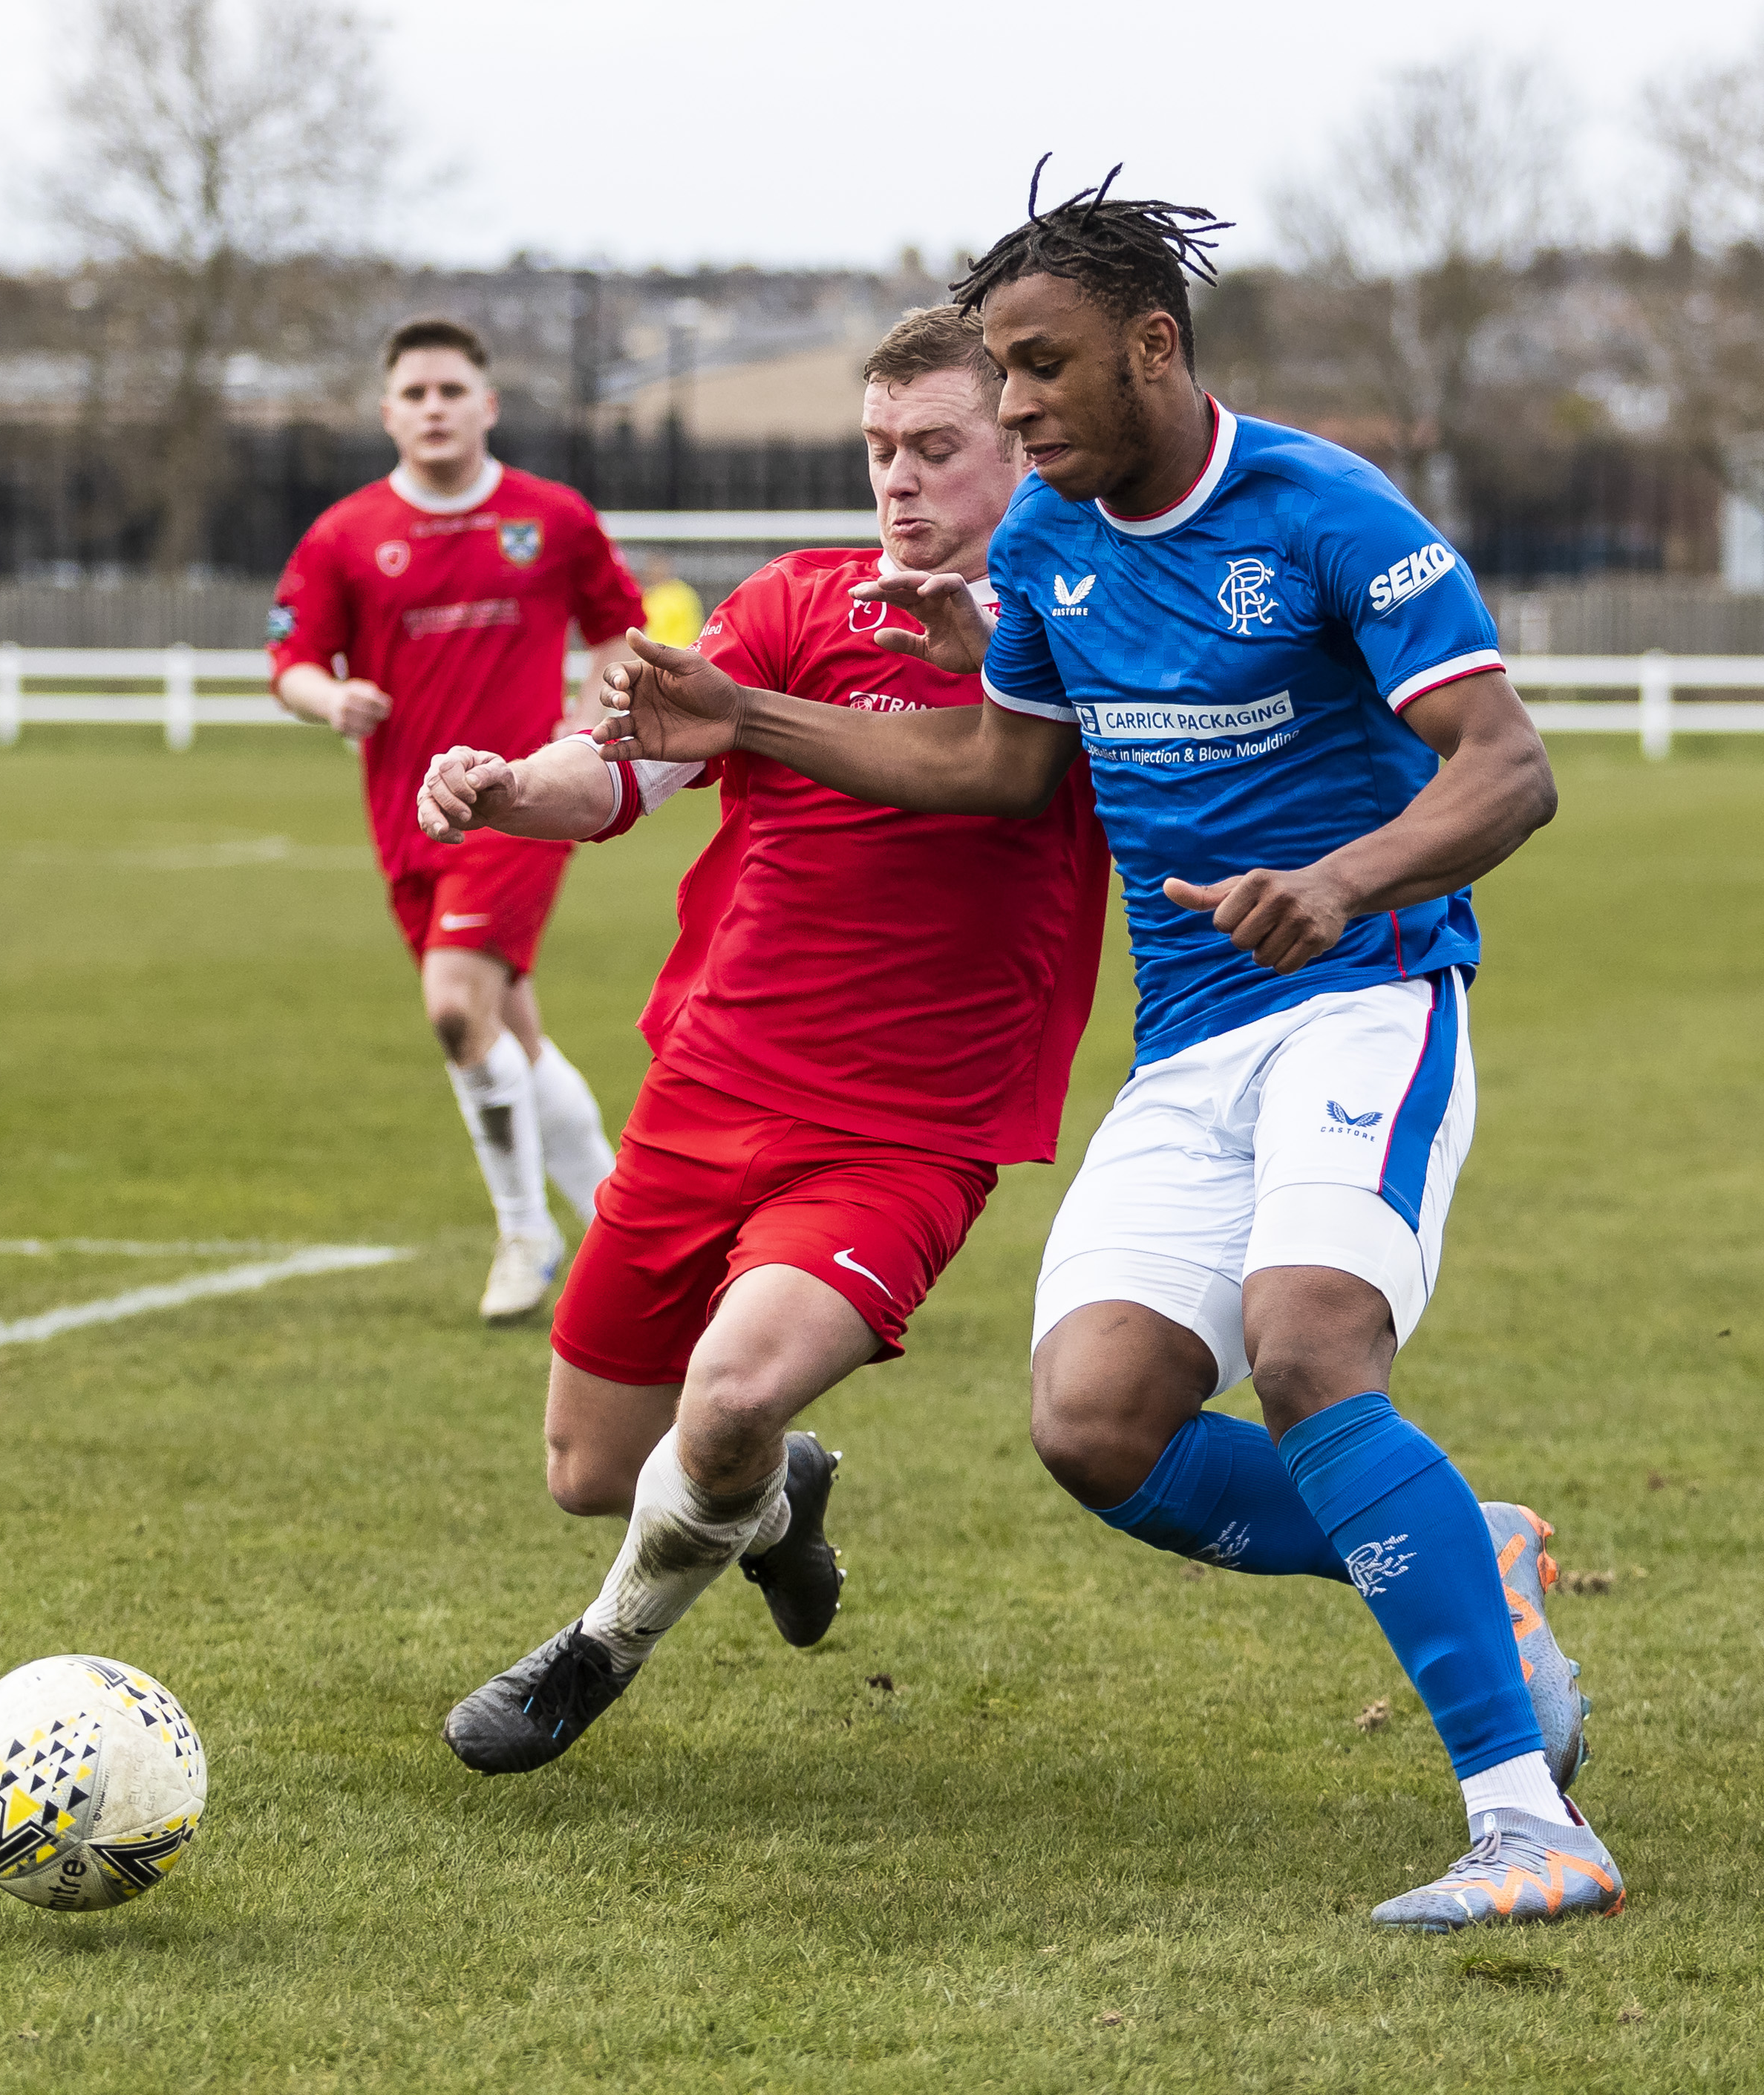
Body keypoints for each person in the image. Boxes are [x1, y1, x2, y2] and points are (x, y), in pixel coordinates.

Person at [594, 183, 1617, 1933]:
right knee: (1092, 1428)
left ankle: (1526, 1825)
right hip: (1190, 1045)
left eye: (1039, 367)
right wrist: (747, 712)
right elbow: (997, 770)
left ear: (1154, 345)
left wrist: (1339, 878)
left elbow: (1502, 766)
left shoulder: (1319, 511)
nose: (1010, 412)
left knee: (1305, 1347)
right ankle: (1475, 1546)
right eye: (996, 376)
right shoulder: (1050, 551)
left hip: (1363, 998)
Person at [414, 304, 1111, 1774]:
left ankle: (594, 1652)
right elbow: (619, 775)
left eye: (936, 449)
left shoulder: (1096, 627)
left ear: (1022, 451)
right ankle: (776, 1500)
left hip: (906, 1133)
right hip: (709, 1091)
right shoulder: (800, 604)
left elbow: (1061, 774)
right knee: (597, 1468)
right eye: (879, 452)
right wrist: (502, 782)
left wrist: (1003, 651)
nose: (901, 482)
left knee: (723, 1394)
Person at [268, 316, 644, 1321]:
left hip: (514, 807)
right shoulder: (345, 534)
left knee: (453, 1008)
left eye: (451, 391)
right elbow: (292, 659)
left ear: (486, 405)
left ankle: (525, 1234)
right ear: (389, 413)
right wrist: (328, 700)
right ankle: (623, 1224)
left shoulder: (552, 517)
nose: (434, 408)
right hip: (405, 817)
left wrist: (584, 725)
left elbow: (617, 626)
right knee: (509, 1026)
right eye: (415, 394)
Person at [639, 553, 707, 649]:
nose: (656, 571)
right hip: (649, 651)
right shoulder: (646, 595)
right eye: (653, 567)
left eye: (660, 567)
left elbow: (691, 628)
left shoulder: (683, 595)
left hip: (677, 650)